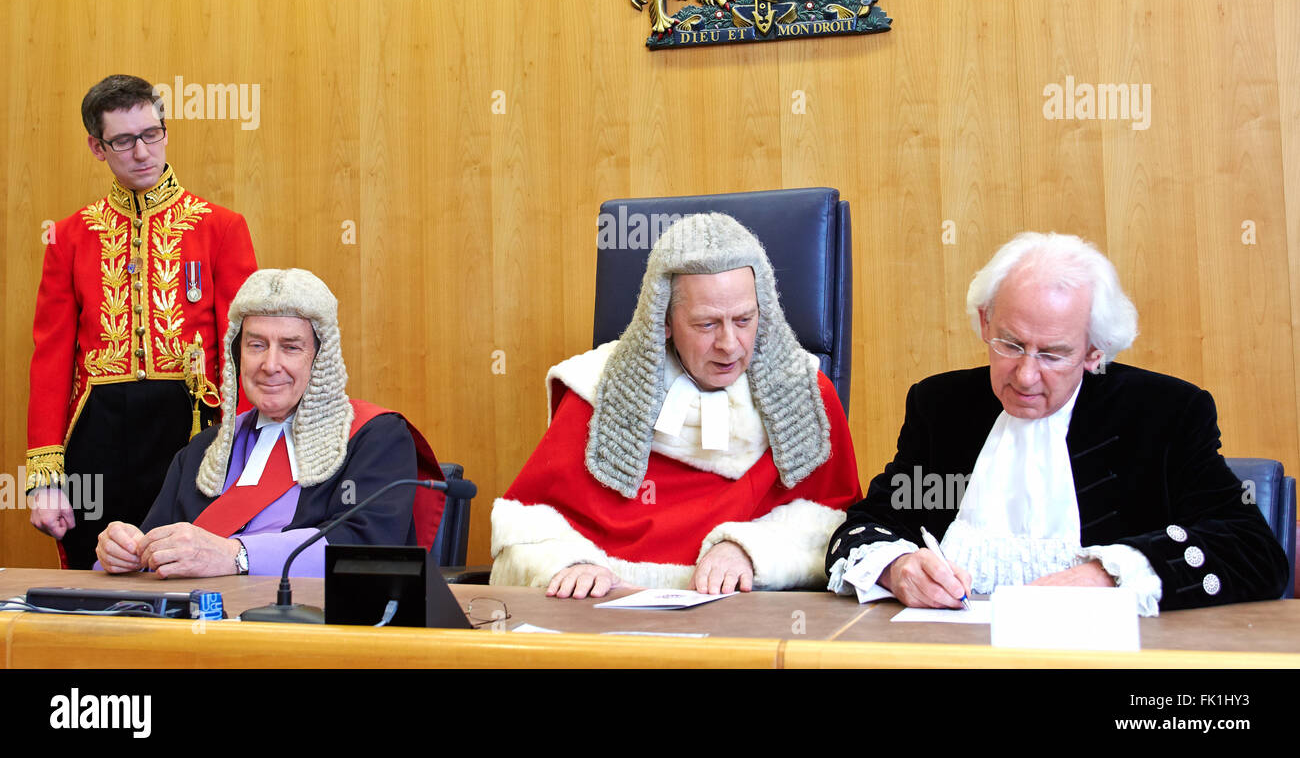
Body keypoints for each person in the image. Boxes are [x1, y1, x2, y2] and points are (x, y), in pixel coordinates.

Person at [826, 232, 1289, 615]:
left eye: (1053, 354)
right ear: (986, 322)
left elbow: (1253, 551)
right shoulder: (943, 406)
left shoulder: (1164, 413)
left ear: (1094, 351)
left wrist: (1106, 576)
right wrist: (899, 566)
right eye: (1009, 344)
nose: (1026, 375)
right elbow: (868, 525)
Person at [491, 213, 862, 598]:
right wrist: (571, 564)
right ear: (663, 320)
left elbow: (839, 528)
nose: (730, 344)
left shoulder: (804, 394)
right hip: (612, 626)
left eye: (744, 320)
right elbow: (526, 531)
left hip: (751, 623)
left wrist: (749, 549)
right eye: (707, 325)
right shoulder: (597, 391)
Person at [27, 74, 258, 569]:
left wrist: (247, 455)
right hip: (98, 433)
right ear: (97, 146)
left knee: (185, 573)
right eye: (124, 140)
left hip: (191, 428)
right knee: (100, 577)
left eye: (152, 133)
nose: (142, 151)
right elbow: (49, 357)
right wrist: (44, 479)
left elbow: (247, 349)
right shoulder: (68, 237)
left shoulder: (220, 227)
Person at [95, 268, 445, 578]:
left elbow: (367, 551)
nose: (270, 364)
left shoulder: (376, 437)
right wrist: (122, 552)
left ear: (319, 358)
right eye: (256, 345)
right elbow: (153, 545)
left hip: (312, 630)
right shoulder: (205, 449)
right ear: (238, 355)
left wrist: (237, 556)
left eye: (290, 347)